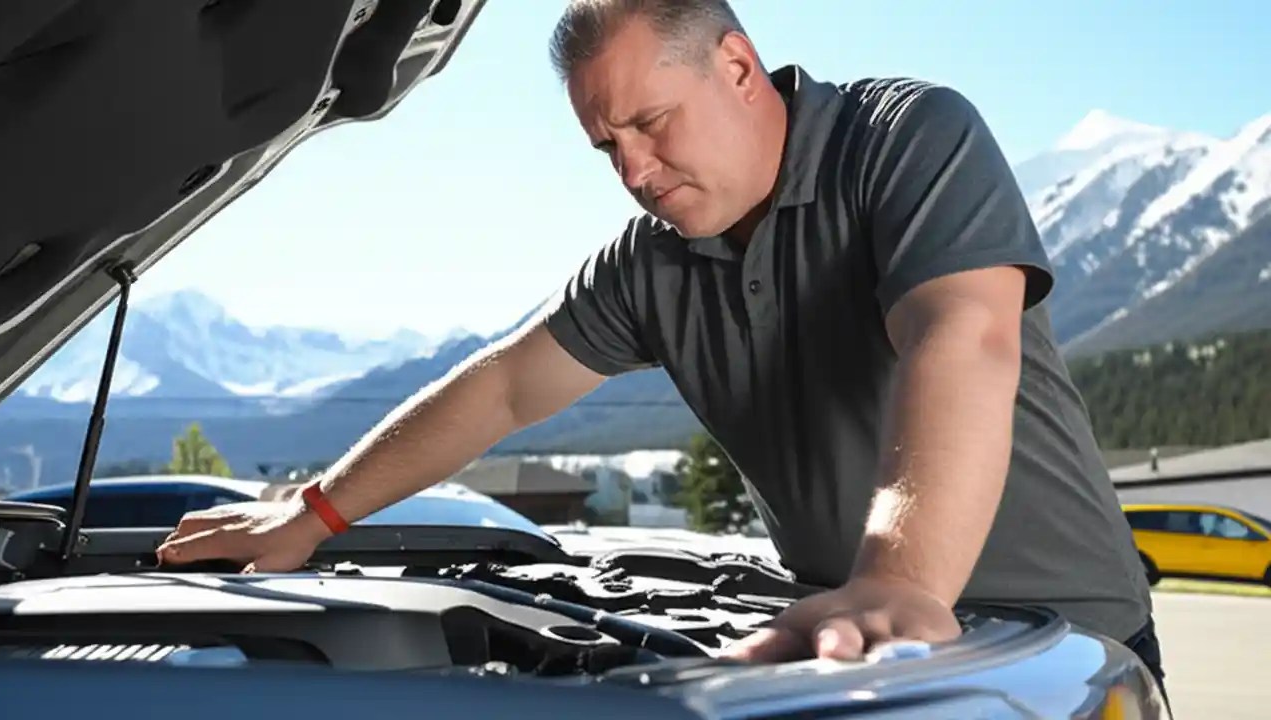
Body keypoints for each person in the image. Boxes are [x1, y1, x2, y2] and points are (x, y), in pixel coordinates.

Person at [157, 0, 1167, 700]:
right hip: (850, 647)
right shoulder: (652, 262)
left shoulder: (904, 138)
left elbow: (962, 333)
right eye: (607, 147)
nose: (634, 171)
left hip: (1057, 643)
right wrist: (318, 509)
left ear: (735, 66)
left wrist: (899, 578)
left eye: (649, 123)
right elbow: (506, 387)